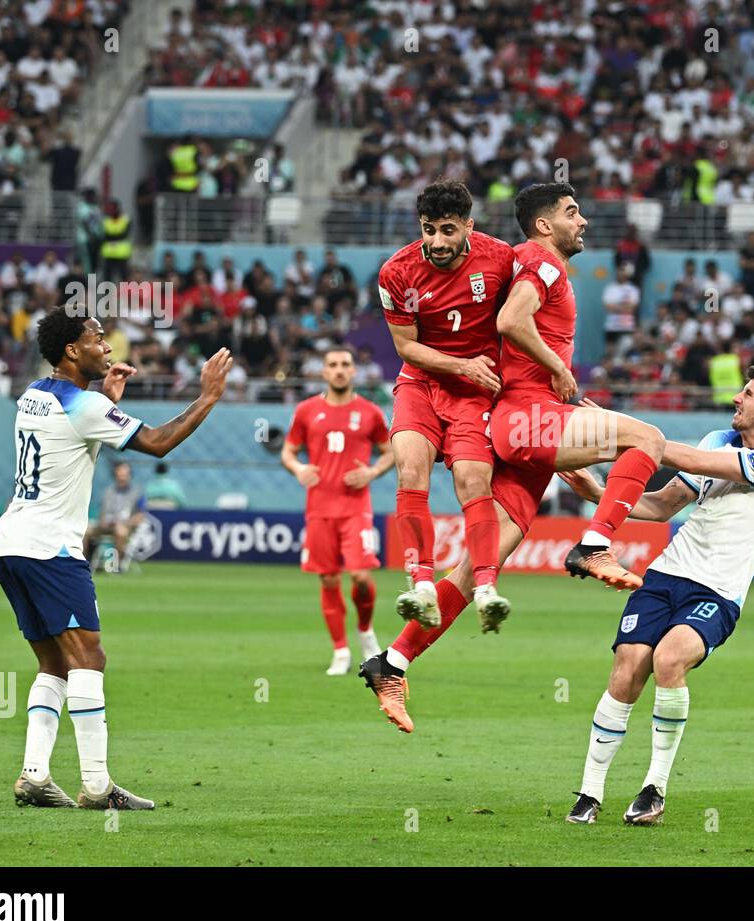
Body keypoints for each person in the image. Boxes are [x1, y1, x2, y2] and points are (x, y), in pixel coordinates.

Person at [357, 183, 665, 733]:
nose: (584, 221)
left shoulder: (511, 258)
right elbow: (509, 323)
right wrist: (561, 371)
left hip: (527, 428)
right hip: (525, 419)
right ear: (545, 224)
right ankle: (594, 545)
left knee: (474, 566)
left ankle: (392, 662)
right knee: (649, 439)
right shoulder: (543, 265)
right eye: (573, 212)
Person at [0, 307, 232, 811]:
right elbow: (159, 442)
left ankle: (34, 775)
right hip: (52, 549)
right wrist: (207, 395)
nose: (108, 346)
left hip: (11, 543)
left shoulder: (34, 395)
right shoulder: (83, 407)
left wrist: (103, 399)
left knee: (54, 661)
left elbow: (71, 429)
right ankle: (98, 787)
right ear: (72, 351)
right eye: (98, 339)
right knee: (90, 658)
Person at [559, 368, 754, 825]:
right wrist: (597, 490)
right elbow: (662, 505)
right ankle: (590, 793)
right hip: (667, 575)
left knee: (669, 660)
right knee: (628, 667)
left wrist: (624, 434)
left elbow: (691, 462)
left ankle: (654, 788)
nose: (736, 398)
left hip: (719, 590)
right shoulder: (716, 438)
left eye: (747, 394)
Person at [377, 180, 516, 634]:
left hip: (475, 392)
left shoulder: (500, 260)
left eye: (448, 230)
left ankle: (487, 589)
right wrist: (463, 365)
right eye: (428, 230)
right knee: (410, 469)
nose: (437, 241)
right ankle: (420, 585)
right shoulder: (396, 273)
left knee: (473, 480)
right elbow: (406, 348)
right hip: (420, 383)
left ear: (469, 226)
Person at [282, 348, 394, 675]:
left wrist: (372, 473)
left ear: (354, 371)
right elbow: (288, 452)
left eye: (346, 364)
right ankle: (341, 651)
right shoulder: (306, 411)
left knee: (360, 576)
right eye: (333, 365)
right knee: (329, 579)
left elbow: (390, 452)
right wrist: (298, 468)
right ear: (324, 373)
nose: (340, 370)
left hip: (356, 507)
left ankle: (366, 630)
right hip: (318, 508)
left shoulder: (371, 412)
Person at [82, 461, 146, 571]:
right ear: (115, 475)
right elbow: (102, 512)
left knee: (120, 531)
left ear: (130, 475)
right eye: (120, 474)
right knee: (85, 530)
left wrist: (126, 522)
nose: (122, 478)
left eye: (125, 475)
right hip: (106, 525)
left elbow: (140, 516)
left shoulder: (137, 493)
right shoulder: (108, 491)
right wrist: (103, 520)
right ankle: (83, 563)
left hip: (125, 526)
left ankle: (118, 565)